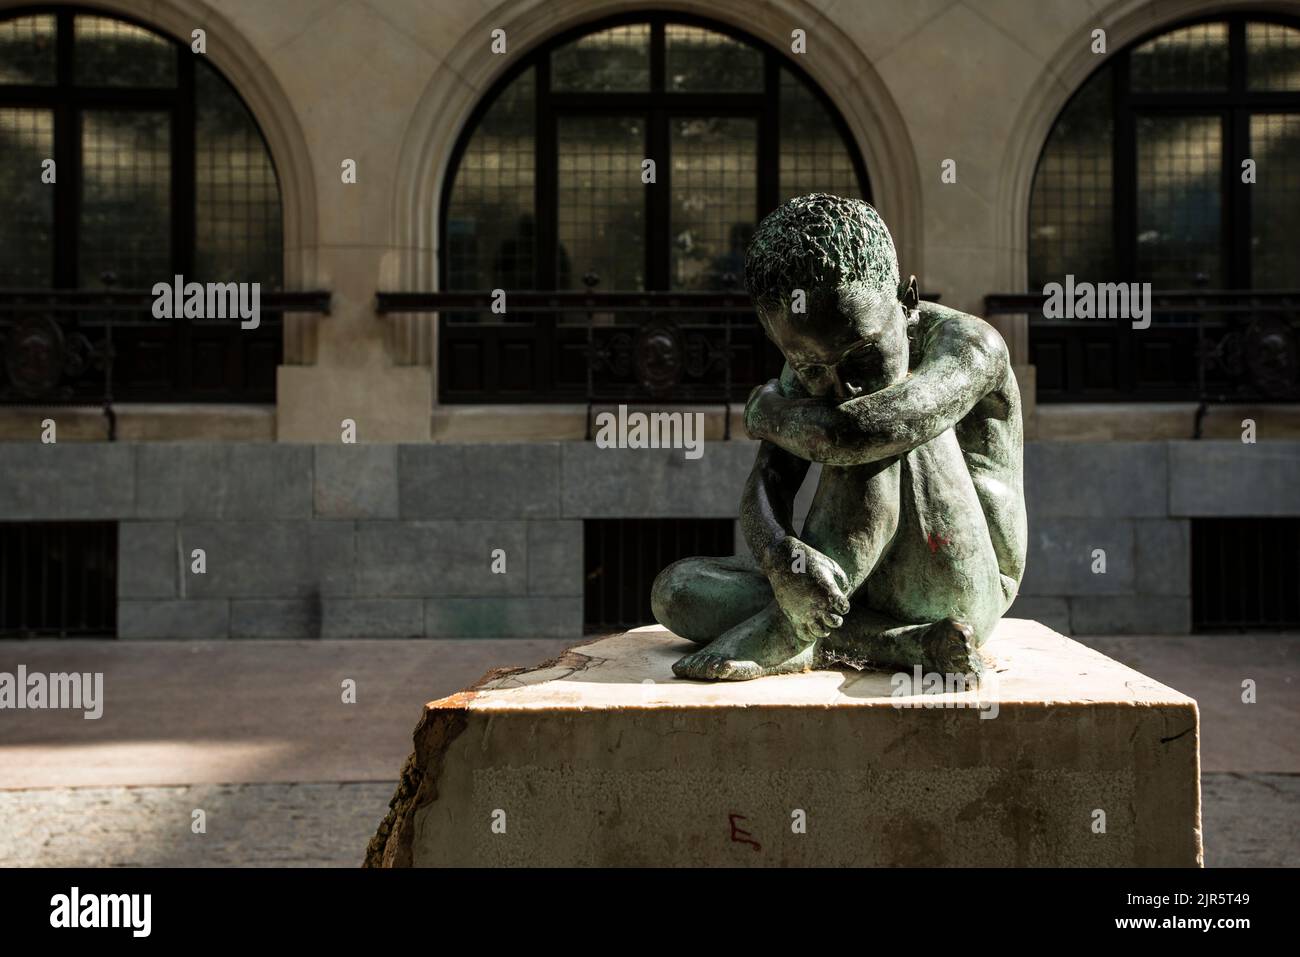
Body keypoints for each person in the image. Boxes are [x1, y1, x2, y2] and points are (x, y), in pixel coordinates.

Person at [652, 194, 1026, 681]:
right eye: (811, 368)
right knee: (677, 591)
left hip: (960, 584)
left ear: (906, 299)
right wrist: (780, 557)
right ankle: (905, 645)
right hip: (862, 588)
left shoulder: (971, 345)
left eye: (862, 354)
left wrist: (765, 412)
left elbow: (856, 432)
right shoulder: (810, 361)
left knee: (877, 424)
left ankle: (788, 633)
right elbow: (768, 481)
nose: (839, 384)